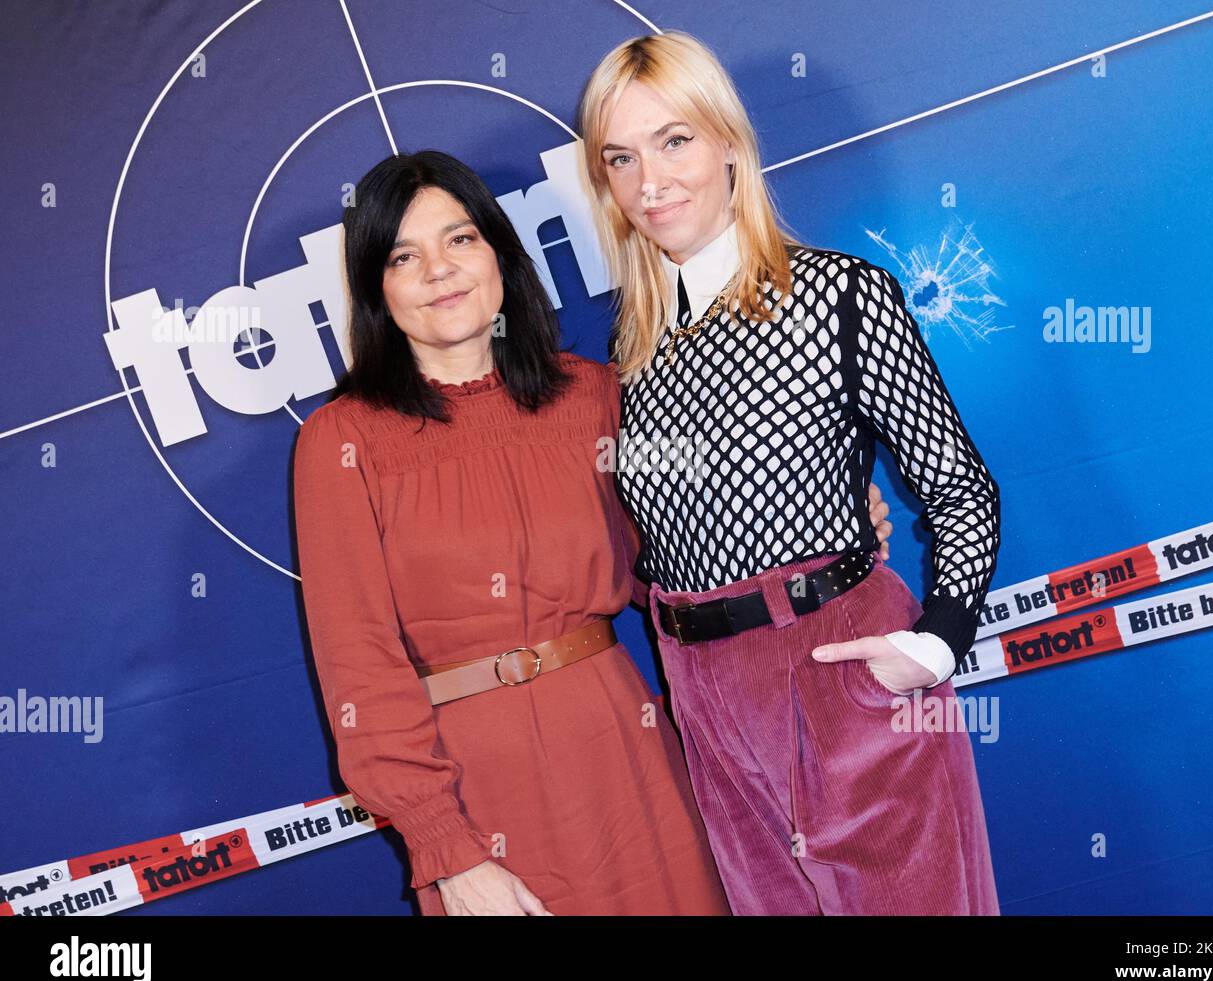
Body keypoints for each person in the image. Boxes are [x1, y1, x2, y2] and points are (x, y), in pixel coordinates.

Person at [291, 149, 894, 915]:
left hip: (626, 746)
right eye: (404, 256)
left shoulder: (595, 396)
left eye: (460, 239)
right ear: (376, 288)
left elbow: (692, 553)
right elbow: (360, 668)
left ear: (500, 254)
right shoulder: (342, 443)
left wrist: (822, 521)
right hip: (477, 787)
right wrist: (448, 850)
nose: (439, 270)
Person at [578, 31, 1002, 915]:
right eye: (621, 157)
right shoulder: (630, 354)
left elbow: (960, 487)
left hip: (838, 668)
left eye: (674, 140)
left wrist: (933, 645)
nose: (649, 181)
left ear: (729, 140)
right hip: (705, 694)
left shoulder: (843, 295)